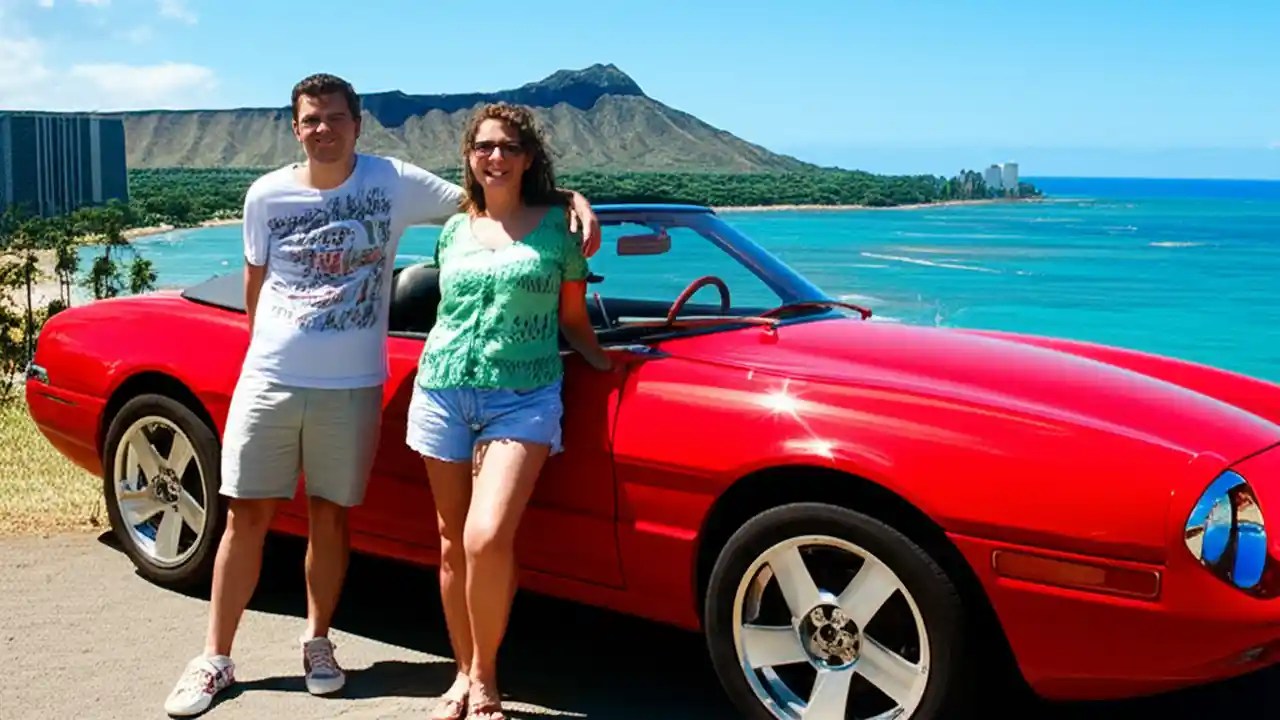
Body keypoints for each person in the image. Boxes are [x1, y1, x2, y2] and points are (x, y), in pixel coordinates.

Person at [163, 75, 599, 718]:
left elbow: (495, 195)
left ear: (357, 124)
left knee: (331, 515)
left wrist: (571, 196)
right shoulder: (265, 195)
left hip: (354, 383)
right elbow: (256, 291)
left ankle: (317, 642)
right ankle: (215, 659)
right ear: (295, 126)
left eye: (335, 117)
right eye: (311, 119)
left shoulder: (392, 180)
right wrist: (257, 362)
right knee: (246, 515)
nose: (323, 129)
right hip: (274, 380)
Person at [405, 102, 613, 720]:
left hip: (523, 394)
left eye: (509, 148)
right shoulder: (453, 231)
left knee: (487, 535)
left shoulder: (558, 229)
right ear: (470, 157)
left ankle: (488, 679)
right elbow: (447, 313)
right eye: (484, 147)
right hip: (442, 388)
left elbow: (572, 319)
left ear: (528, 159)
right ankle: (463, 672)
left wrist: (608, 366)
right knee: (451, 542)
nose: (495, 157)